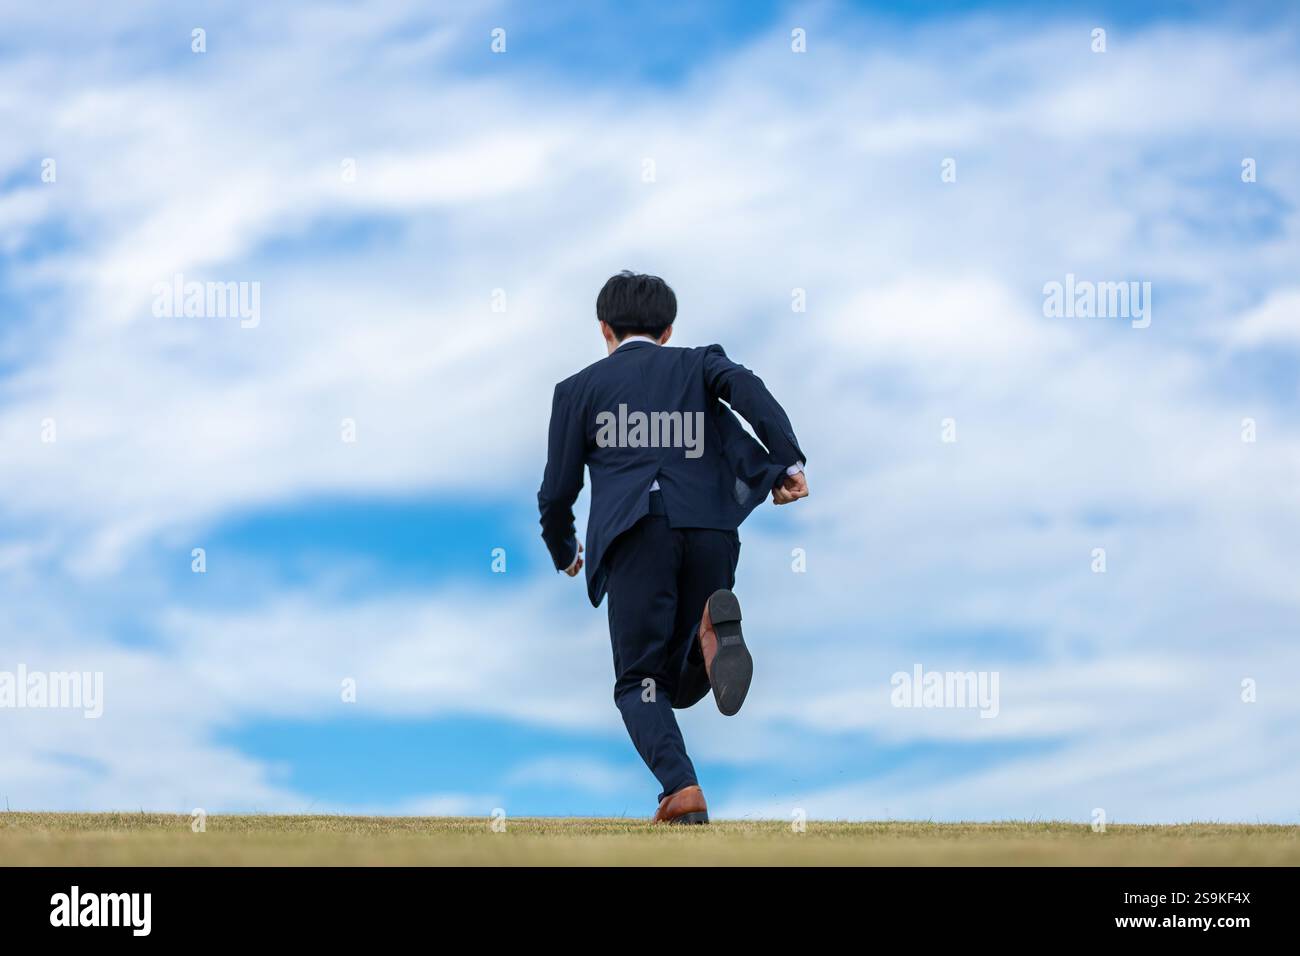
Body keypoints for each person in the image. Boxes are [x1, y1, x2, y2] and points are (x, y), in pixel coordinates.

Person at [538, 271, 807, 823]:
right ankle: (711, 623)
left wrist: (564, 550)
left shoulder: (578, 390)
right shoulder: (699, 363)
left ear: (604, 328)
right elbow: (746, 389)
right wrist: (786, 461)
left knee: (639, 682)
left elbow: (557, 490)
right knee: (678, 685)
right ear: (667, 330)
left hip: (638, 535)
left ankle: (681, 789)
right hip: (710, 531)